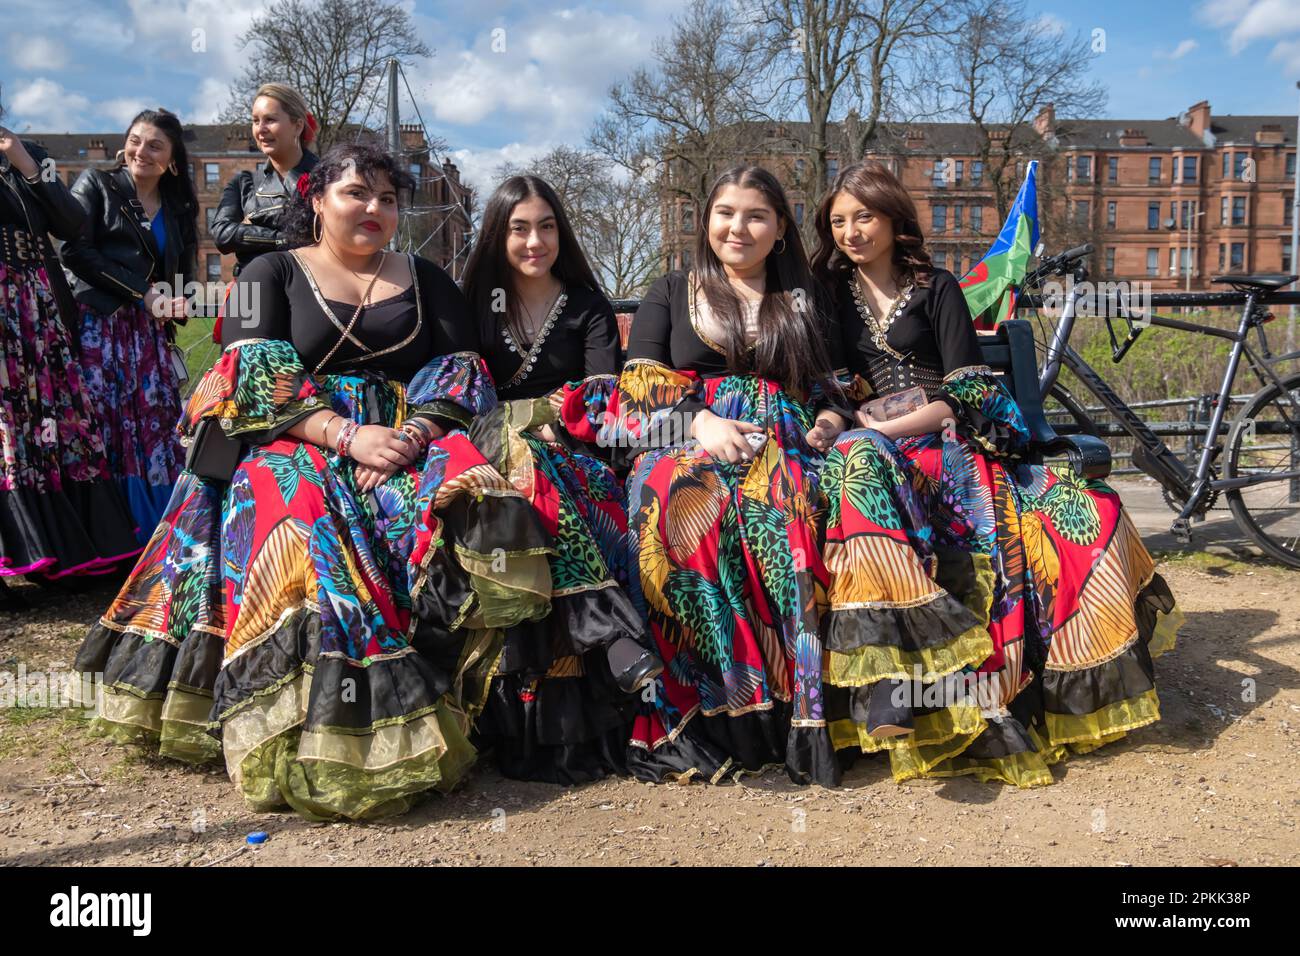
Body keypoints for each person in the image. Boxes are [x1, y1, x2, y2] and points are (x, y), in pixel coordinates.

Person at [73, 142, 553, 820]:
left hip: (405, 437)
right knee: (299, 518)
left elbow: (459, 373)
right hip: (290, 438)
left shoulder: (426, 278)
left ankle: (486, 707)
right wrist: (344, 433)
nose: (375, 208)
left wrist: (408, 436)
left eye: (388, 198)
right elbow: (244, 373)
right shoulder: (270, 271)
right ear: (317, 199)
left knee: (470, 501)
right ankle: (309, 724)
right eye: (357, 193)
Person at [812, 161, 1181, 787]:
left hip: (939, 435)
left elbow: (959, 394)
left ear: (894, 217)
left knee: (1084, 512)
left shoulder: (937, 286)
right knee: (855, 467)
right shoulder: (826, 297)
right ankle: (893, 684)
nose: (850, 230)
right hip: (863, 448)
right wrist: (836, 425)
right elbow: (829, 388)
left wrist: (881, 429)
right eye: (838, 220)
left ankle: (943, 687)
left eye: (863, 216)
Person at [564, 165, 847, 786]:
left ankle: (796, 714)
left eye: (756, 216)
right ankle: (719, 712)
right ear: (707, 220)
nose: (737, 227)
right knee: (689, 502)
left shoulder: (805, 298)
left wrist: (827, 419)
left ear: (779, 229)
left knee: (787, 505)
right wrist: (699, 424)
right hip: (681, 437)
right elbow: (636, 390)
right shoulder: (673, 290)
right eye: (725, 213)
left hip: (786, 438)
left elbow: (833, 386)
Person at [461, 174, 660, 784]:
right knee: (519, 463)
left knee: (547, 476)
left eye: (547, 226)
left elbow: (602, 399)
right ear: (498, 233)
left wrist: (552, 421)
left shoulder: (587, 305)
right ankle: (607, 628)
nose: (534, 241)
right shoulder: (472, 303)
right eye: (519, 228)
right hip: (488, 450)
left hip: (568, 448)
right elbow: (463, 392)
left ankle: (569, 723)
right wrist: (522, 422)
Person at [0, 88, 140, 598]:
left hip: (35, 308)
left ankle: (60, 550)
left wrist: (22, 161)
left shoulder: (29, 154)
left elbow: (71, 223)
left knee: (49, 421)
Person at [62, 108, 196, 542]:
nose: (142, 151)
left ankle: (154, 531)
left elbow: (183, 271)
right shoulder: (97, 183)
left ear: (172, 159)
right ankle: (102, 534)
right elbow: (75, 251)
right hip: (100, 327)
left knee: (155, 428)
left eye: (155, 145)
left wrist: (182, 301)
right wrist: (142, 292)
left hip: (149, 334)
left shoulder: (178, 207)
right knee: (104, 426)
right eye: (136, 140)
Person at [209, 82, 319, 341]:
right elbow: (222, 235)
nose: (261, 129)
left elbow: (323, 234)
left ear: (297, 125)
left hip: (311, 292)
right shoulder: (244, 182)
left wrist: (252, 225)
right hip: (249, 298)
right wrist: (282, 239)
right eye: (255, 121)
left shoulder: (327, 177)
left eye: (270, 120)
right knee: (247, 375)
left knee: (306, 379)